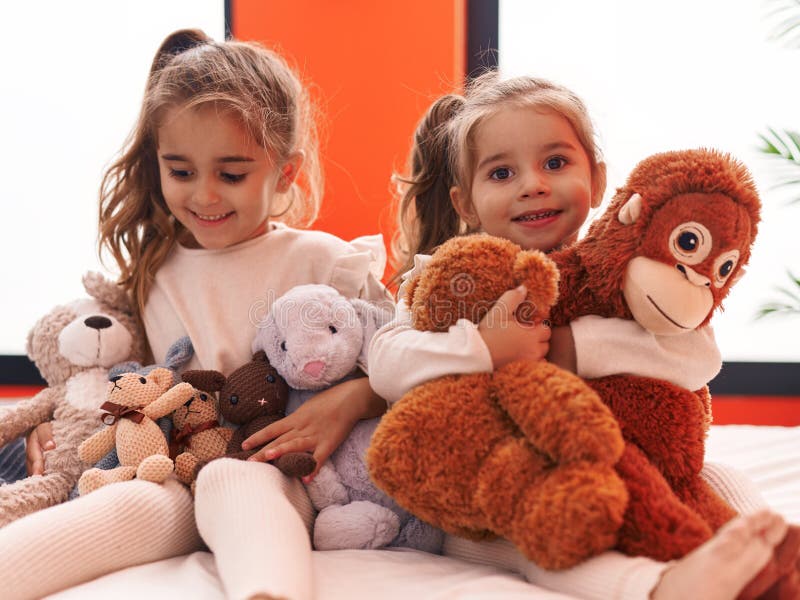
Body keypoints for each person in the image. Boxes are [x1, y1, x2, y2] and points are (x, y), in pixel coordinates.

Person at [368, 73, 787, 600]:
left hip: (626, 460)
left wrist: (576, 347)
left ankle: (767, 553)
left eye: (556, 163)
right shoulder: (452, 277)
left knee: (716, 477)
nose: (533, 184)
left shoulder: (624, 267)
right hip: (512, 487)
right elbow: (385, 362)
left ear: (597, 180)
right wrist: (482, 348)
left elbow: (697, 356)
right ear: (466, 204)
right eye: (501, 172)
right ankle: (660, 587)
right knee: (552, 540)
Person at [5, 28, 390, 600]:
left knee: (234, 478)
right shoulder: (154, 269)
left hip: (289, 473)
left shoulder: (327, 262)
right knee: (121, 500)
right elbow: (108, 376)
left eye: (231, 174)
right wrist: (51, 425)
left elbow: (412, 362)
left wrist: (356, 396)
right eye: (181, 172)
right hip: (174, 471)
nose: (205, 196)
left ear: (285, 171)